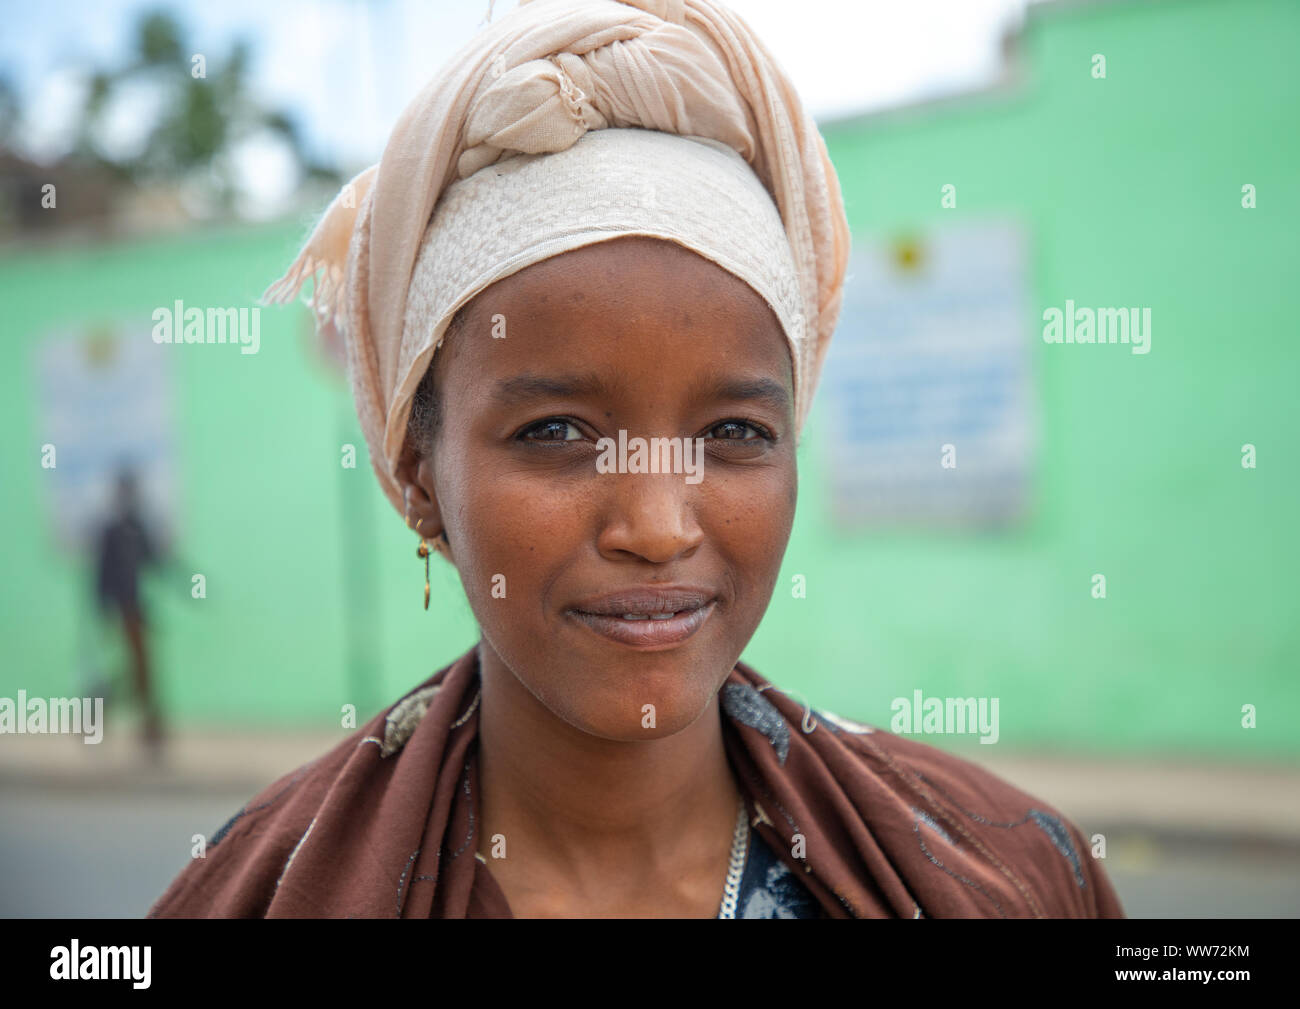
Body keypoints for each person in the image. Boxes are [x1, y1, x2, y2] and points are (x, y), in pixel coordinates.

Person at [150, 0, 1123, 918]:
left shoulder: (1010, 873)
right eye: (557, 433)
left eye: (731, 434)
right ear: (417, 474)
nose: (658, 526)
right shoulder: (255, 896)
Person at [94, 466, 165, 757]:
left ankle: (148, 730)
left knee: (140, 670)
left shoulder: (138, 527)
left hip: (138, 610)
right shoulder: (111, 531)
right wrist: (105, 611)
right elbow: (102, 576)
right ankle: (103, 712)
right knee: (139, 670)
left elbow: (155, 562)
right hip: (121, 611)